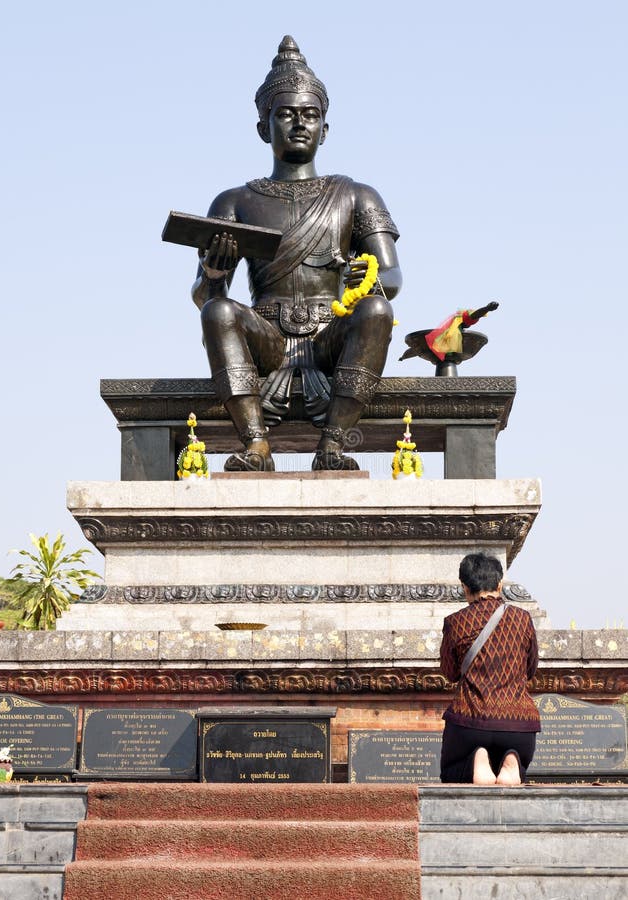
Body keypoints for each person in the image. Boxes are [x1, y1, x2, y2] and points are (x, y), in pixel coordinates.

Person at [191, 36, 402, 472]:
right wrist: (214, 272)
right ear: (263, 127)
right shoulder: (233, 202)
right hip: (265, 335)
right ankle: (255, 444)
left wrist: (366, 276)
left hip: (333, 333)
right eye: (286, 115)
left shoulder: (357, 195)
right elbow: (203, 294)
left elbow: (393, 278)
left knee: (377, 310)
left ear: (325, 128)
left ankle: (333, 443)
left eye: (310, 115)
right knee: (218, 312)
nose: (299, 124)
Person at [439, 553, 541, 785]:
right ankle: (512, 759)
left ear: (465, 587)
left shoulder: (455, 622)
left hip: (469, 723)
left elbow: (450, 672)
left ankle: (476, 758)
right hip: (518, 725)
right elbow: (531, 668)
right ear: (499, 584)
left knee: (450, 773)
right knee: (517, 769)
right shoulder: (523, 619)